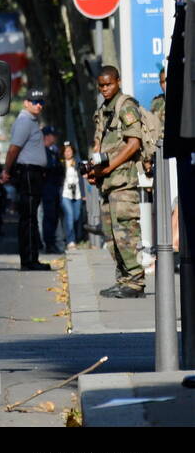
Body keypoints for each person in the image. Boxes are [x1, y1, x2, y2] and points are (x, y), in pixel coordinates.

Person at [87, 66, 146, 298]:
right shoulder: (103, 110)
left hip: (123, 182)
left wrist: (109, 167)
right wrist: (94, 170)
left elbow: (134, 144)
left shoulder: (126, 106)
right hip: (107, 182)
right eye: (101, 85)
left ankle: (135, 282)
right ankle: (123, 279)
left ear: (118, 82)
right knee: (112, 236)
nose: (104, 89)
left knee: (126, 232)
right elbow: (99, 145)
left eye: (108, 84)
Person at [0, 89, 51, 270]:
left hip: (34, 173)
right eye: (35, 101)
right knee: (29, 218)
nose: (39, 105)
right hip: (28, 173)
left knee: (30, 217)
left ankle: (31, 258)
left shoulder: (32, 121)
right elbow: (14, 148)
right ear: (26, 103)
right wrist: (6, 170)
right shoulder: (24, 122)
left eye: (41, 102)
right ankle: (29, 260)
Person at [40, 126, 64, 254]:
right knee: (48, 216)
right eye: (53, 135)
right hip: (47, 187)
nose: (55, 138)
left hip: (54, 187)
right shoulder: (42, 151)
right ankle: (48, 243)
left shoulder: (54, 151)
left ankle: (52, 242)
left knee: (54, 216)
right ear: (47, 136)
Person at [60, 142, 84, 250]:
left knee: (76, 217)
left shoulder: (78, 163)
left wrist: (83, 194)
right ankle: (70, 241)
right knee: (69, 215)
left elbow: (82, 179)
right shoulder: (60, 163)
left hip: (77, 194)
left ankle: (74, 237)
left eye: (69, 150)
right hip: (65, 194)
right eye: (65, 151)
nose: (67, 153)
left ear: (73, 151)